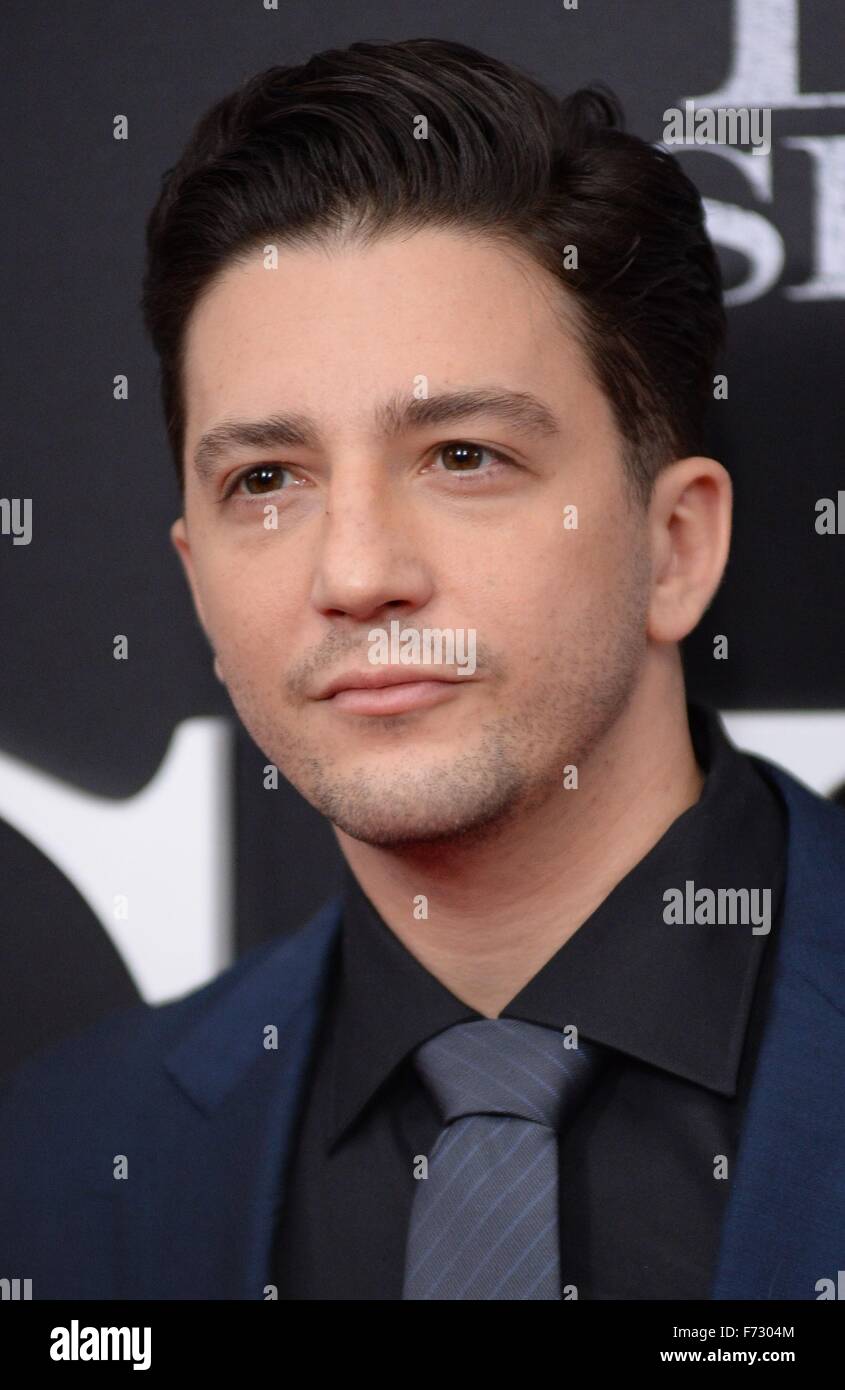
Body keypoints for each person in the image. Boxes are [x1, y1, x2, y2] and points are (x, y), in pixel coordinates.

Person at [2, 37, 843, 1302]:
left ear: (674, 546)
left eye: (462, 456)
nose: (354, 573)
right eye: (265, 481)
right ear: (193, 576)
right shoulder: (62, 1164)